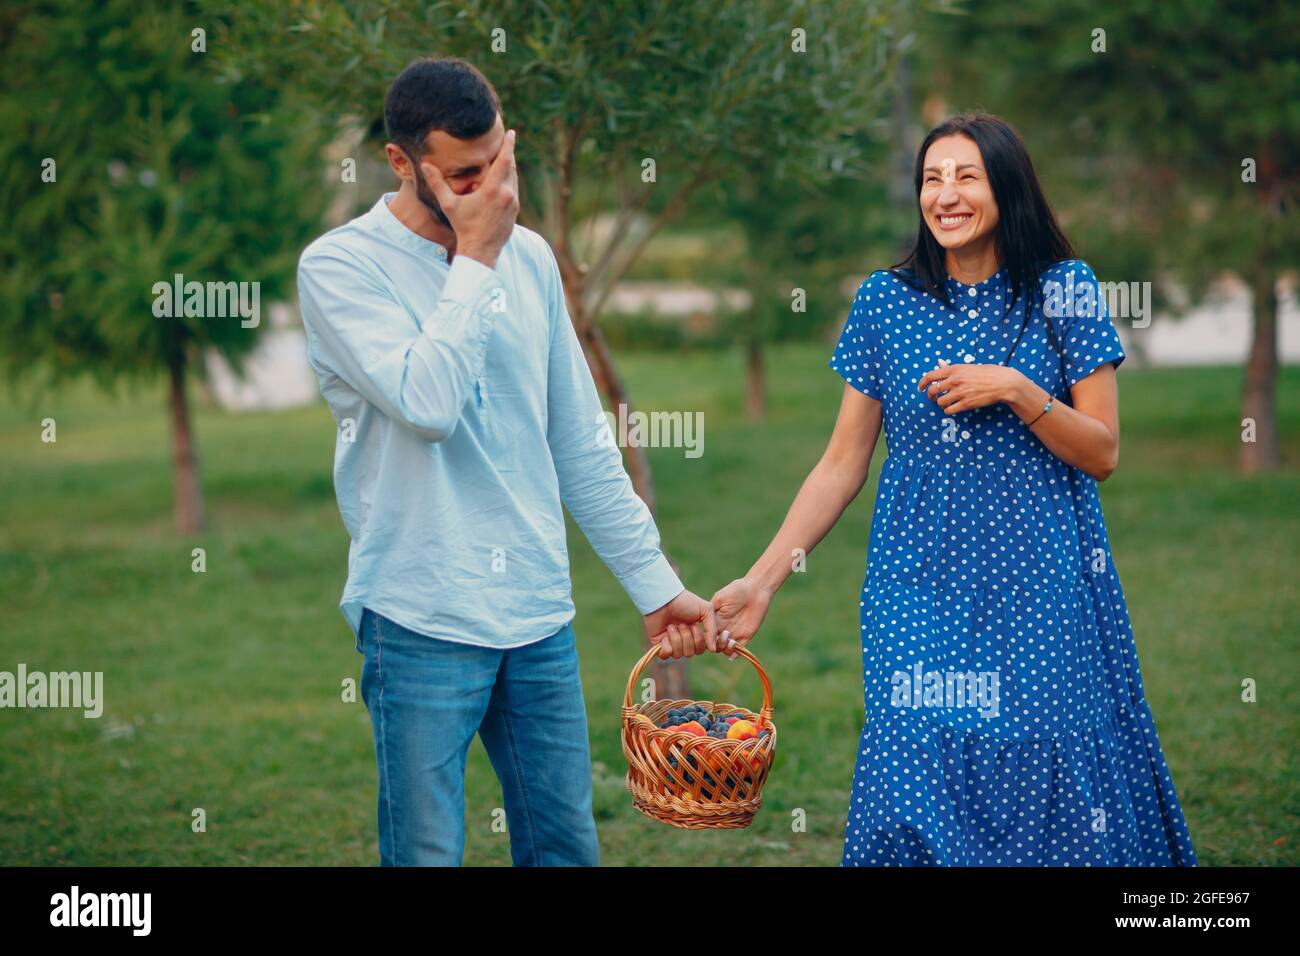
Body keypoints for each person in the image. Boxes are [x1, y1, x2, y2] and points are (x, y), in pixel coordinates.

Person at [710, 114, 1197, 866]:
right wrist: (763, 580)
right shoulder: (885, 302)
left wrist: (1017, 389)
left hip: (1039, 583)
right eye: (932, 179)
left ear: (1007, 186)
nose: (947, 195)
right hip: (917, 584)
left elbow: (1102, 452)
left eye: (966, 176)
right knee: (913, 761)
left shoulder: (1063, 290)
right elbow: (843, 462)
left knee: (1040, 763)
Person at [296, 57, 720, 867]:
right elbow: (426, 404)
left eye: (497, 164)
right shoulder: (340, 268)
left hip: (537, 614)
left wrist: (654, 583)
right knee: (425, 851)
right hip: (419, 614)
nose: (488, 190)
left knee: (565, 846)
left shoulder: (529, 259)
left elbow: (579, 440)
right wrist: (477, 258)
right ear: (400, 163)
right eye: (461, 175)